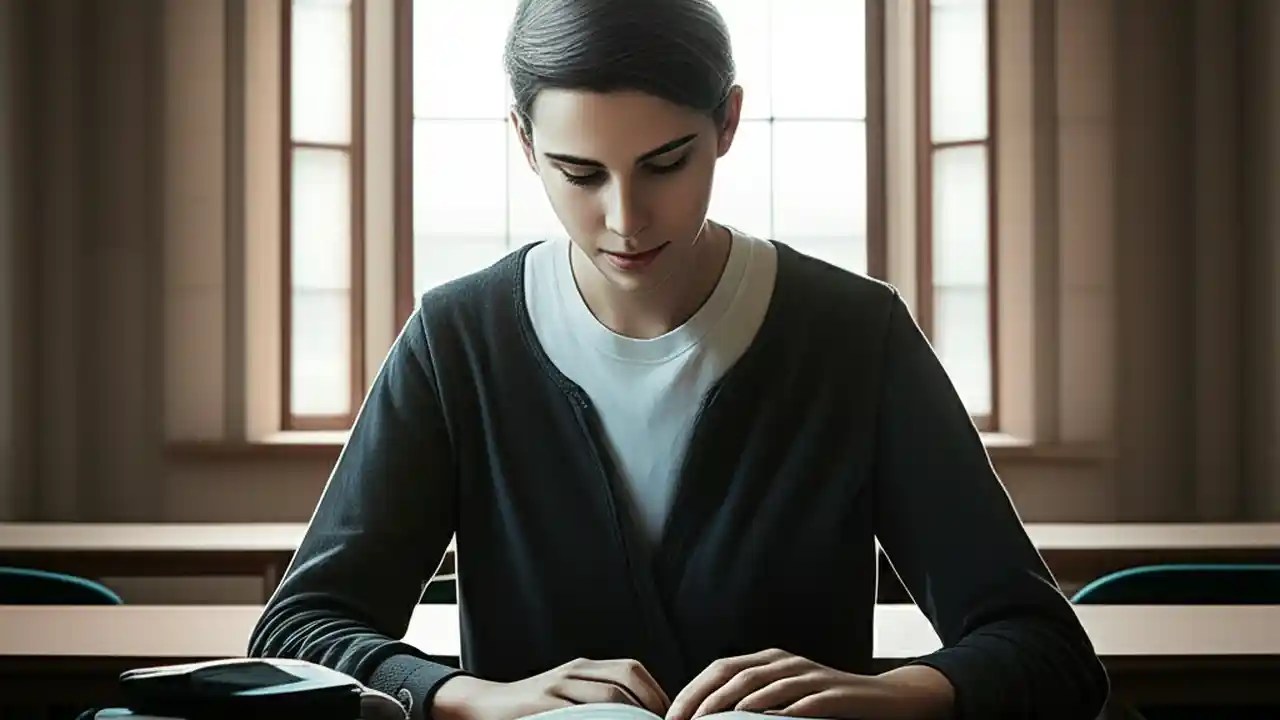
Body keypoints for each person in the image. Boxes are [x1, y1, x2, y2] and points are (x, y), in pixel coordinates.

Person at [248, 0, 1110, 718]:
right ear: (522, 143)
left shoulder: (856, 334)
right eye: (579, 172)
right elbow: (301, 629)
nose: (627, 218)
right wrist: (472, 698)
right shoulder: (457, 338)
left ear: (727, 121)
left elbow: (1044, 648)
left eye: (667, 163)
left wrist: (895, 693)